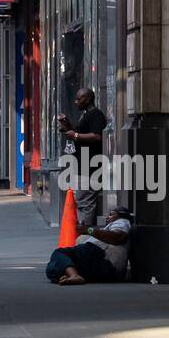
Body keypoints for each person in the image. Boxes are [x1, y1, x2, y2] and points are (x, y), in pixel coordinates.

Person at [57, 87, 108, 231]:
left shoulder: (96, 115)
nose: (76, 102)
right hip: (82, 166)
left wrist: (76, 135)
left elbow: (97, 136)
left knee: (85, 203)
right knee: (81, 201)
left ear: (88, 99)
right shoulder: (86, 115)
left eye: (79, 99)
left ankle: (85, 236)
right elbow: (78, 134)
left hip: (90, 167)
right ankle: (82, 234)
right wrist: (67, 125)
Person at [46, 206, 132, 283]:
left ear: (121, 215)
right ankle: (74, 275)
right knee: (51, 269)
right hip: (98, 264)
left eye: (111, 214)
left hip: (98, 256)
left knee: (59, 253)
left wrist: (89, 230)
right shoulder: (114, 224)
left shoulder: (122, 221)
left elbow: (118, 237)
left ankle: (74, 275)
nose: (107, 217)